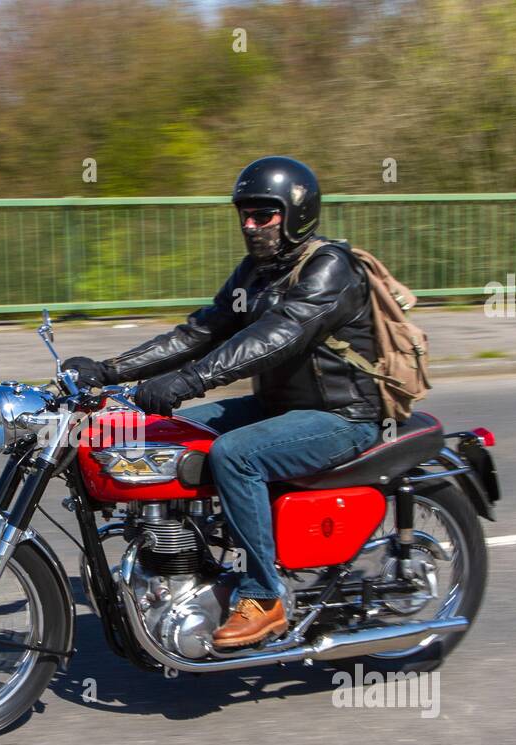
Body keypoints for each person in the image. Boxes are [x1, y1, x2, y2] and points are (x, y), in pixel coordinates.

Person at [62, 156, 383, 649]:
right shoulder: (256, 272)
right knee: (160, 438)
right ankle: (185, 562)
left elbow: (278, 335)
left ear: (296, 213)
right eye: (245, 216)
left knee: (236, 454)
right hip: (278, 409)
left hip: (341, 416)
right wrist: (109, 371)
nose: (251, 226)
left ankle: (264, 596)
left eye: (264, 215)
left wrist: (187, 381)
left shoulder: (329, 268)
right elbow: (201, 331)